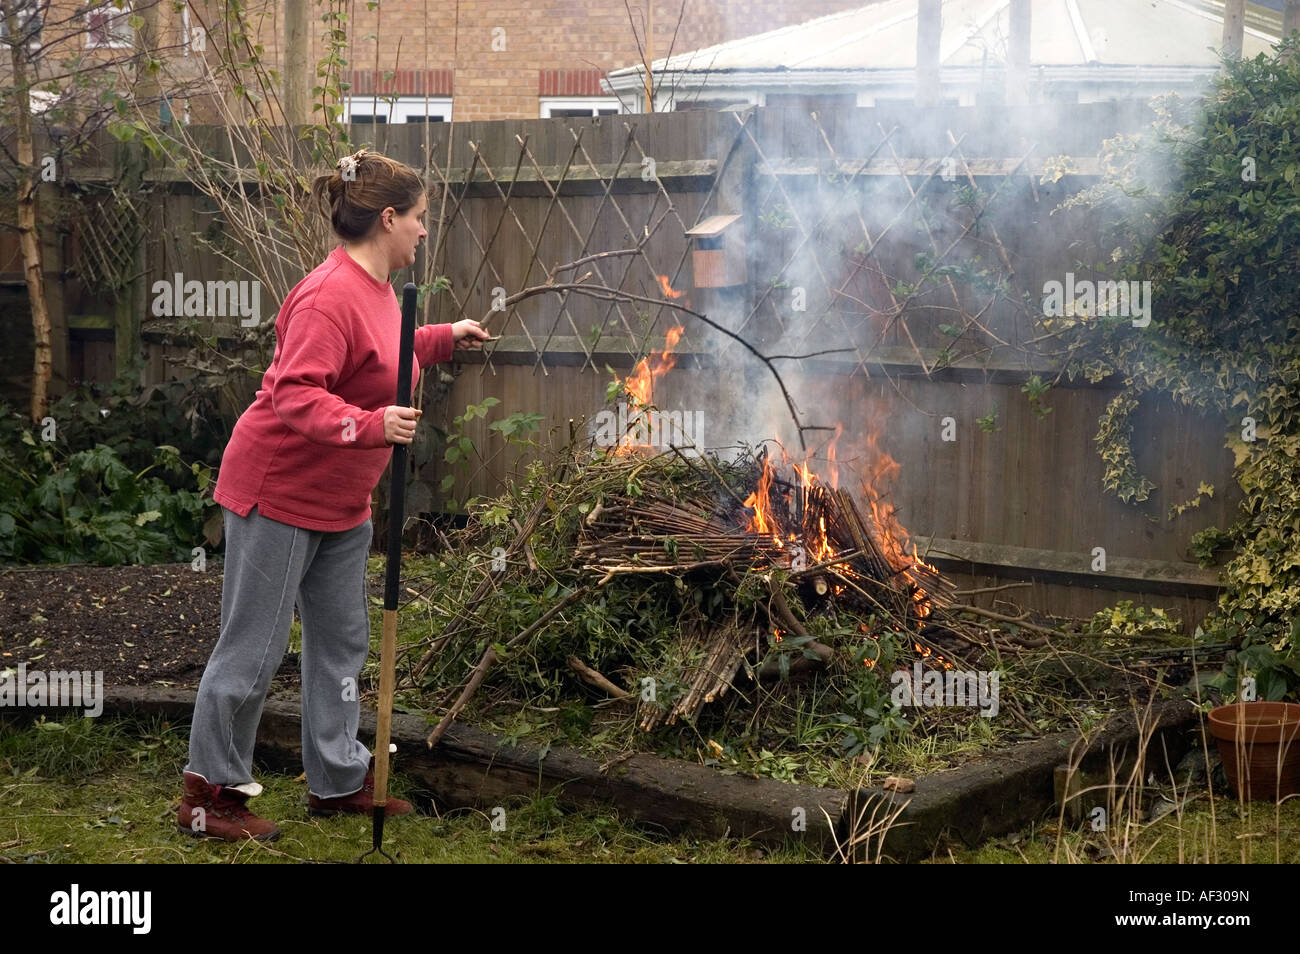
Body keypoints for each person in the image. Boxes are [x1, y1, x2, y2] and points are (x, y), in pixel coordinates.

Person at [177, 148, 489, 841]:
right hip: (279, 492)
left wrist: (442, 337)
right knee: (253, 651)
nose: (424, 231)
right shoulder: (327, 294)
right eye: (419, 219)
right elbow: (294, 393)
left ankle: (338, 779)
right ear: (387, 218)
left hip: (341, 503)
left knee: (342, 645)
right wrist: (371, 424)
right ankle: (209, 796)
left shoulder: (377, 289)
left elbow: (385, 351)